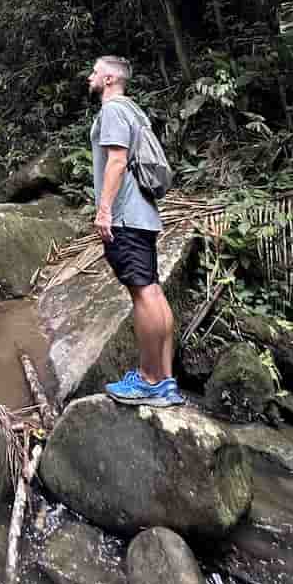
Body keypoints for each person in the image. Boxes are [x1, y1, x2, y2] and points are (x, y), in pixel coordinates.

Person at [87, 55, 184, 406]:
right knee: (153, 292)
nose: (90, 76)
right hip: (143, 215)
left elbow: (116, 160)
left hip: (125, 217)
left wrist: (104, 210)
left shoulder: (113, 110)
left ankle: (149, 381)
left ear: (109, 79)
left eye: (95, 72)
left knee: (143, 295)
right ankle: (165, 382)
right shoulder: (134, 111)